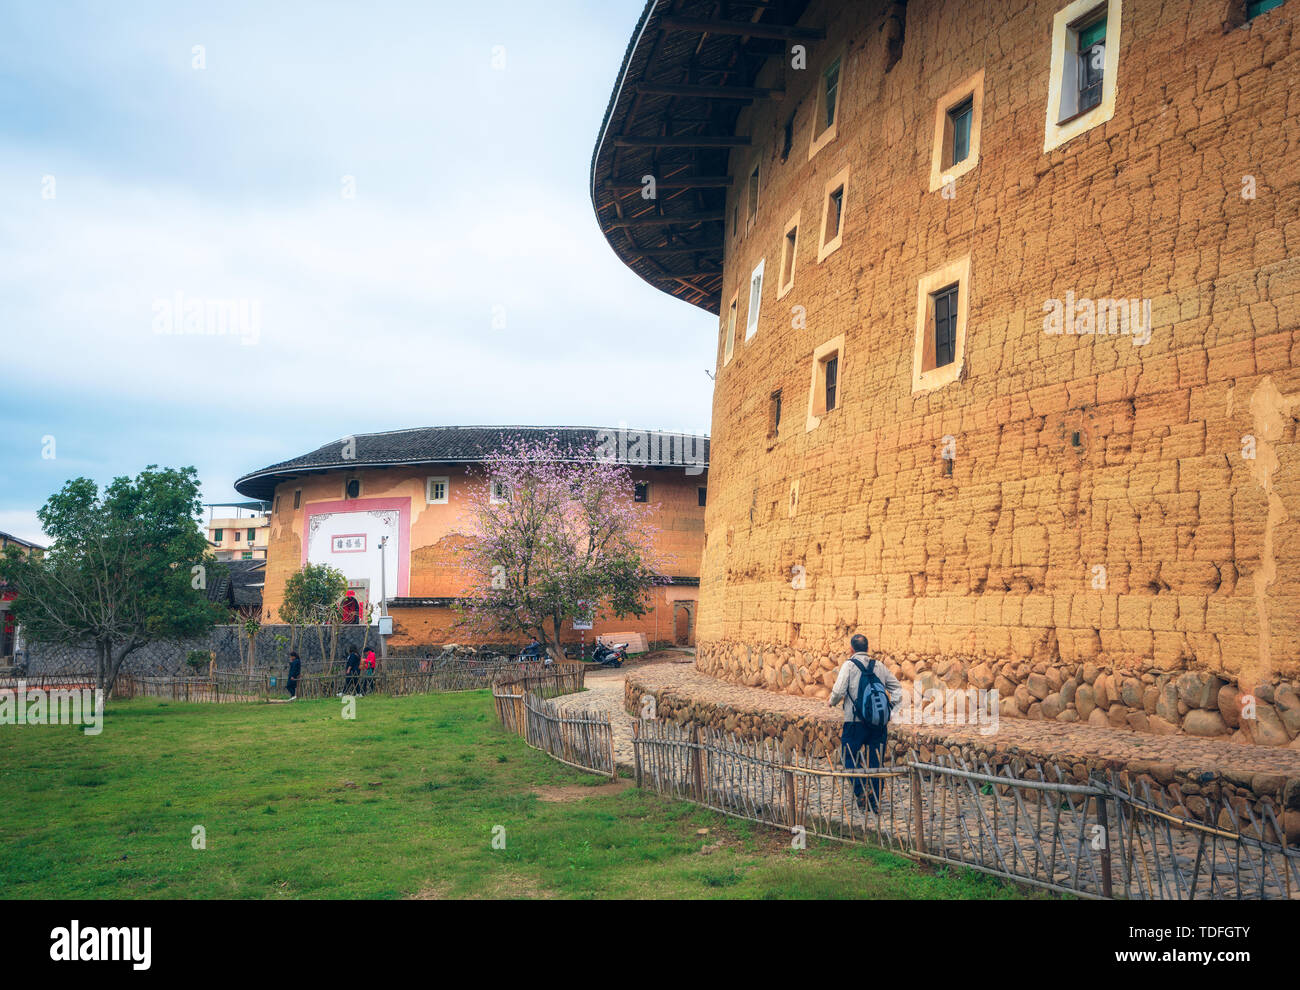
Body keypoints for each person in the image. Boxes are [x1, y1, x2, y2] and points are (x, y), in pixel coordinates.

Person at [828, 633, 902, 813]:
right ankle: (874, 799)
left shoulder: (849, 665)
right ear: (867, 649)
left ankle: (861, 790)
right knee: (876, 761)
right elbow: (897, 688)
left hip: (855, 722)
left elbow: (839, 690)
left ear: (851, 649)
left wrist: (832, 701)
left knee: (849, 756)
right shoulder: (880, 666)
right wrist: (891, 709)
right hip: (878, 723)